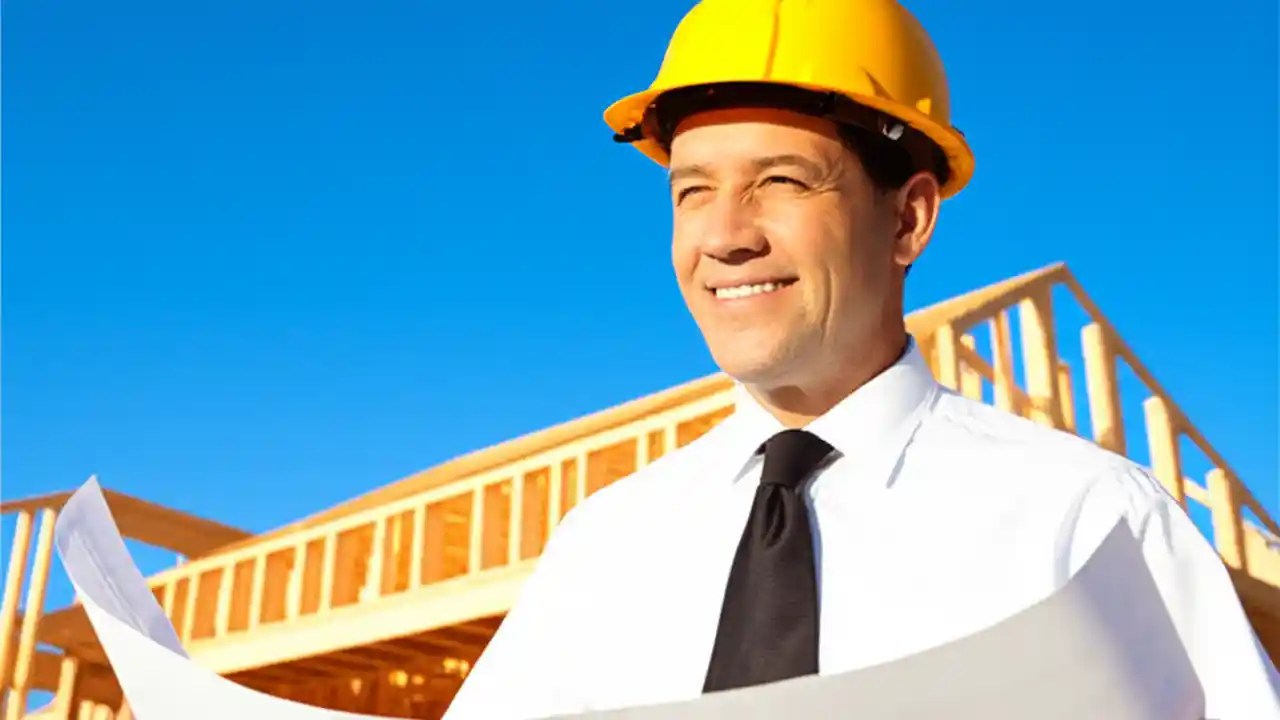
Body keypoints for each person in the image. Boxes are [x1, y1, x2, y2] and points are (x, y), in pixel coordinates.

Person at [443, 0, 1280, 717]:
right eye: (693, 190)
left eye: (782, 181)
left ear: (909, 221)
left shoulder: (1091, 525)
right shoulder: (604, 547)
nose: (726, 235)